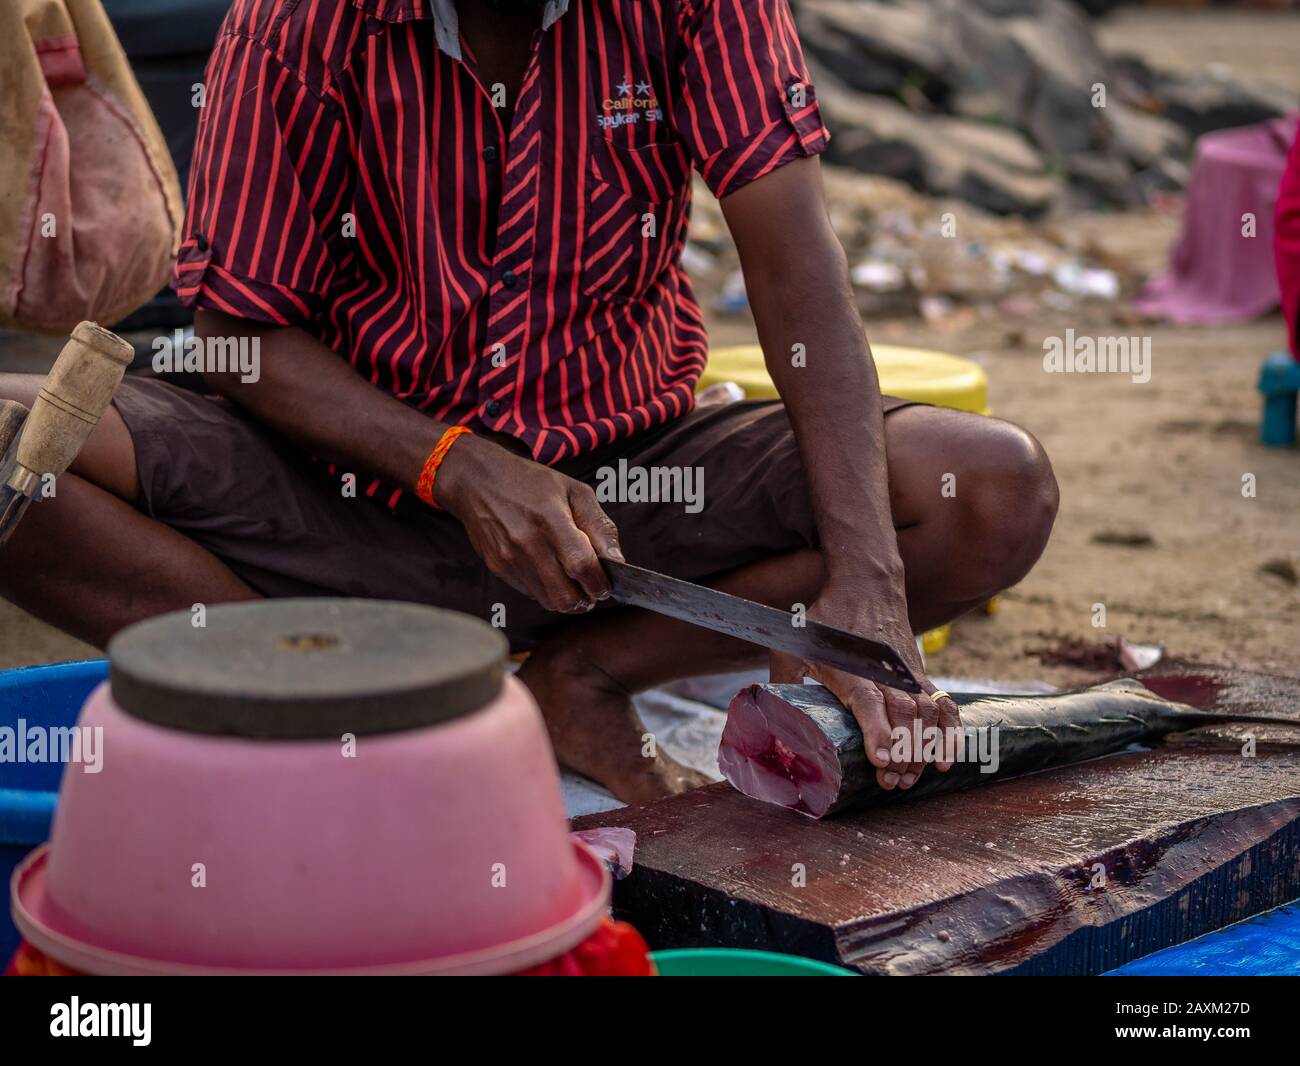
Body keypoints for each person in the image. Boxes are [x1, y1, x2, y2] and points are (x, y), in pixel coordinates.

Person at [0, 0, 1057, 803]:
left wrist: (867, 586)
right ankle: (351, 695)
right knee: (11, 449)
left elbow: (796, 279)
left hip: (630, 496)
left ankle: (581, 676)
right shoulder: (296, 21)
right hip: (333, 488)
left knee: (989, 490)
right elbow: (239, 336)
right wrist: (453, 464)